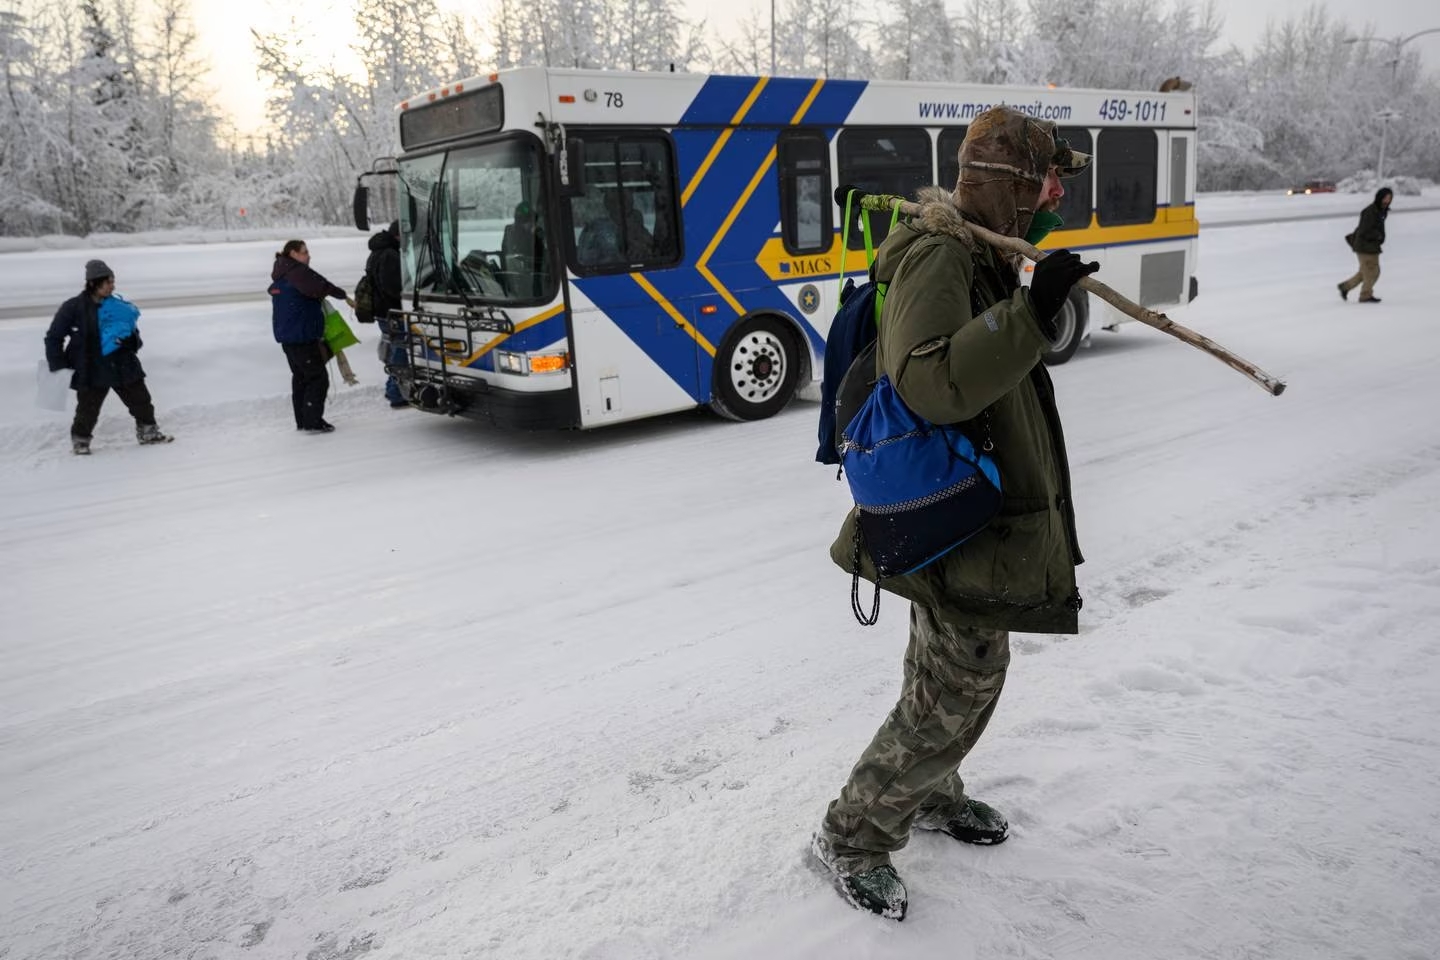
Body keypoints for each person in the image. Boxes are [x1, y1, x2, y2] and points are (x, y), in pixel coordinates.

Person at [809, 106, 1097, 921]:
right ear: (1007, 185)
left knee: (943, 677)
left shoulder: (978, 250)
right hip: (953, 516)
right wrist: (1032, 317)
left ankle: (931, 791)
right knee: (960, 685)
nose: (1053, 199)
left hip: (970, 517)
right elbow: (930, 384)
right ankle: (855, 833)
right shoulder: (941, 254)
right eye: (1045, 183)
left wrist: (1024, 305)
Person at [44, 259, 173, 455]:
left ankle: (149, 433)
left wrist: (133, 342)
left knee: (141, 400)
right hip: (91, 366)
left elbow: (134, 334)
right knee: (88, 408)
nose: (113, 286)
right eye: (108, 282)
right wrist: (59, 365)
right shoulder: (73, 307)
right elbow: (54, 337)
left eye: (113, 281)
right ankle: (80, 441)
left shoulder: (119, 307)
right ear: (94, 283)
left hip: (123, 363)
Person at [269, 240, 351, 433]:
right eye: (305, 252)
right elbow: (320, 286)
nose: (309, 255)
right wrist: (341, 294)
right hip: (302, 336)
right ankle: (312, 421)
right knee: (317, 378)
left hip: (288, 336)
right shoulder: (297, 272)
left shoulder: (282, 271)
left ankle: (303, 420)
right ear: (293, 254)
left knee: (300, 378)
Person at [365, 220, 407, 407]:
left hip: (382, 311)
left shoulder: (378, 251)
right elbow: (394, 287)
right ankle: (396, 392)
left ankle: (394, 389)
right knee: (400, 349)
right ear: (399, 235)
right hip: (393, 311)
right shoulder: (389, 255)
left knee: (393, 348)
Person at [1338, 187, 1392, 303]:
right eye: (1385, 198)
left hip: (1371, 245)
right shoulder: (1370, 211)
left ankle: (1345, 287)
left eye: (1389, 198)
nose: (1387, 200)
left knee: (1367, 272)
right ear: (1379, 197)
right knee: (1372, 272)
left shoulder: (1381, 210)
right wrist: (1378, 236)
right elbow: (1364, 230)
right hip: (1365, 246)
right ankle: (1365, 295)